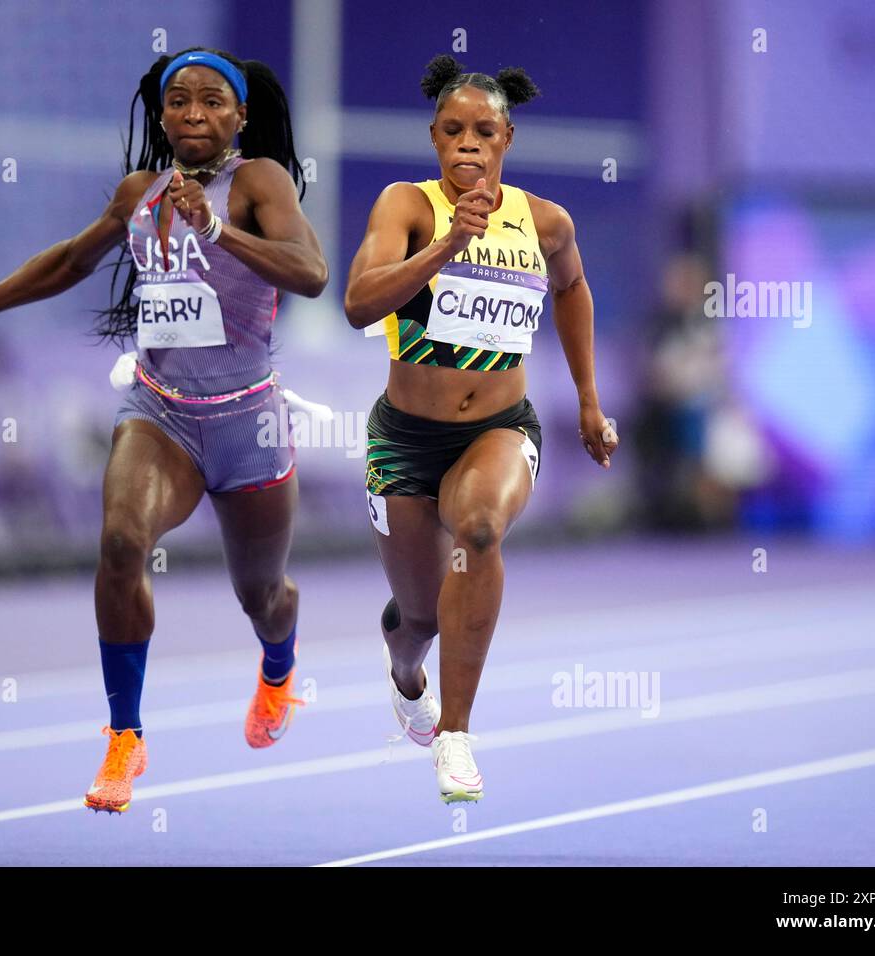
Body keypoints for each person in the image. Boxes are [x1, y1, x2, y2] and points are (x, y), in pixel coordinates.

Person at [0, 47, 327, 813]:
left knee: (262, 593)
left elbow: (310, 273)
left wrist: (223, 231)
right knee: (119, 542)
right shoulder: (140, 192)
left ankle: (278, 667)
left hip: (249, 423)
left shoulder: (261, 183)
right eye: (178, 102)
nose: (194, 114)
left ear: (239, 116)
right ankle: (125, 737)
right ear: (162, 115)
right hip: (160, 412)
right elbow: (73, 260)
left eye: (212, 102)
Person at [343, 55, 618, 803]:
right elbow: (359, 304)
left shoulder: (547, 222)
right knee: (419, 617)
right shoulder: (406, 207)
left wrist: (589, 400)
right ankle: (407, 676)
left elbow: (573, 288)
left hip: (497, 428)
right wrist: (444, 248)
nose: (468, 143)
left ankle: (456, 736)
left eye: (484, 132)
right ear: (435, 138)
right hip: (404, 438)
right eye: (453, 130)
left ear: (507, 139)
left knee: (482, 530)